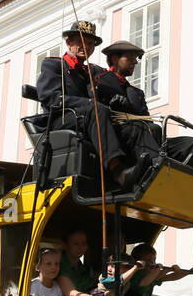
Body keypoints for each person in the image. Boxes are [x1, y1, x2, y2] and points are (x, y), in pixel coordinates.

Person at [34, 21, 135, 189]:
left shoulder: (90, 73)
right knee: (96, 110)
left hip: (85, 119)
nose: (86, 47)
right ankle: (116, 169)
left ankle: (137, 166)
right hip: (60, 118)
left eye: (90, 44)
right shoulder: (53, 65)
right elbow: (52, 97)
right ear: (69, 42)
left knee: (123, 122)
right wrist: (88, 103)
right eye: (81, 42)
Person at [95, 40, 193, 179]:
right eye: (130, 57)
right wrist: (111, 107)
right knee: (148, 129)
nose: (135, 62)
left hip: (145, 137)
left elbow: (146, 119)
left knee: (191, 144)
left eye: (136, 58)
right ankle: (158, 174)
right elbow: (96, 115)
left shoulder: (136, 93)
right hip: (119, 139)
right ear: (114, 59)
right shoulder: (99, 81)